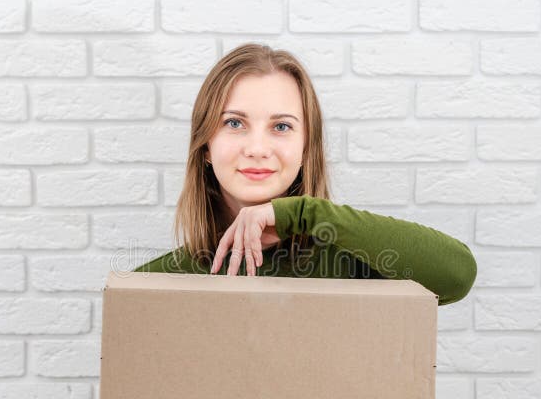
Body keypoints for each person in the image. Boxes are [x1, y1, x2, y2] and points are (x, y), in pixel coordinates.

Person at [131, 43, 477, 306]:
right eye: (234, 123)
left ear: (306, 148)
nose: (257, 148)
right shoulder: (159, 283)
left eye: (281, 126)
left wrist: (304, 213)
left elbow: (456, 275)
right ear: (206, 144)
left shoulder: (353, 266)